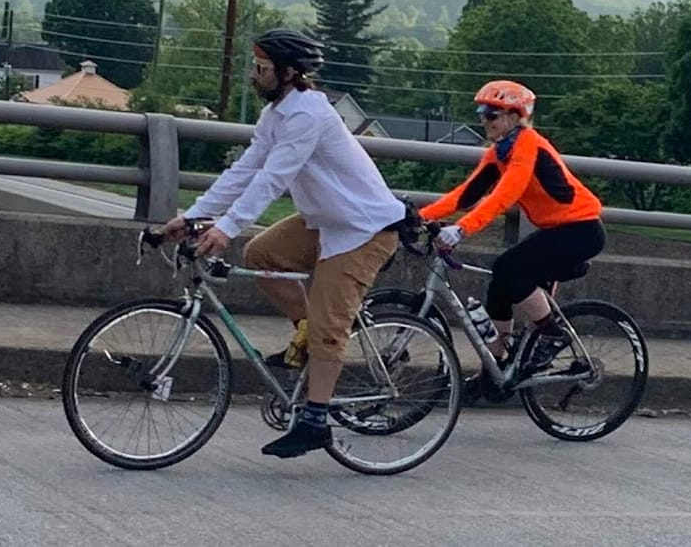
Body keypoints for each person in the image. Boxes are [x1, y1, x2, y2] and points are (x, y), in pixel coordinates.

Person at [157, 29, 410, 459]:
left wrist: (227, 228)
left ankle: (315, 420)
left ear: (289, 72)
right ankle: (307, 334)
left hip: (363, 229)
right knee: (261, 255)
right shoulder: (276, 114)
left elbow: (273, 179)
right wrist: (192, 217)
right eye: (254, 66)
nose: (254, 74)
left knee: (330, 325)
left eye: (262, 68)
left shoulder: (308, 114)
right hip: (325, 220)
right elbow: (245, 171)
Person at [417, 79, 605, 385]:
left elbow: (503, 197)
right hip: (556, 230)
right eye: (481, 113)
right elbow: (465, 195)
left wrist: (461, 229)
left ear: (514, 117)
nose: (484, 120)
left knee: (509, 269)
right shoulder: (499, 152)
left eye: (491, 114)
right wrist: (418, 217)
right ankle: (498, 367)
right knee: (499, 286)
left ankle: (553, 336)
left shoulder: (528, 144)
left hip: (581, 230)